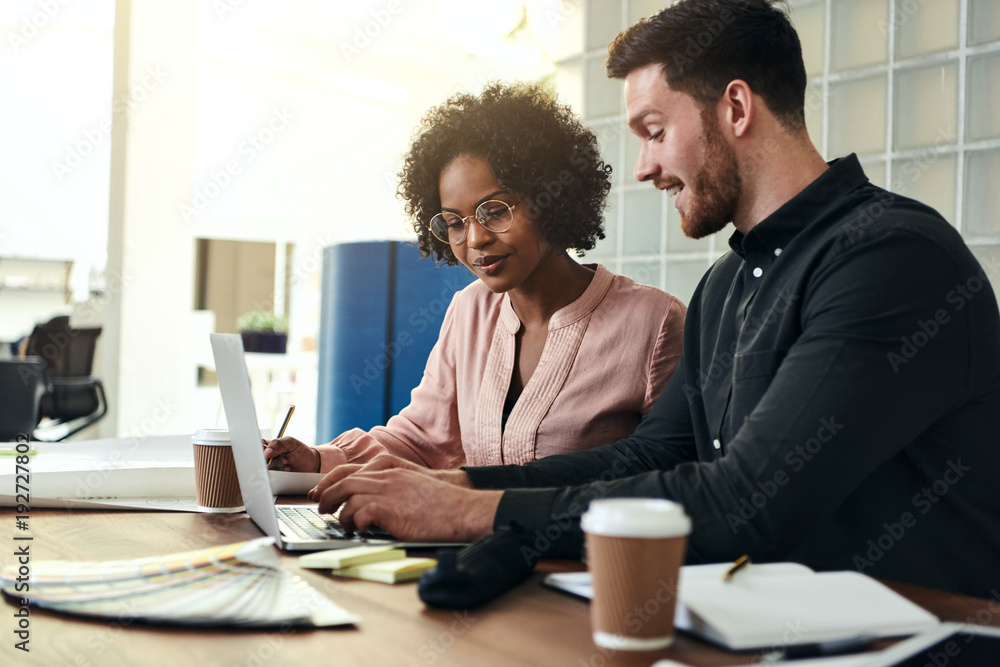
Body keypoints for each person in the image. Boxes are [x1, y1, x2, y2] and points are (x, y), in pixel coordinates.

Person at [307, 0, 1000, 598]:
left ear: (734, 106)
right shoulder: (726, 288)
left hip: (922, 639)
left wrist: (468, 514)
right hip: (760, 634)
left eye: (654, 132)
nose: (643, 167)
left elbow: (743, 502)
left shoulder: (890, 259)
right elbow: (648, 460)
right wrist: (458, 487)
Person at [267, 82, 686, 472]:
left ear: (551, 198)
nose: (475, 239)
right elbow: (422, 439)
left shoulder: (656, 321)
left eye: (497, 210)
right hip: (473, 550)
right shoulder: (470, 310)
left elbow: (667, 473)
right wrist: (319, 459)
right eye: (453, 222)